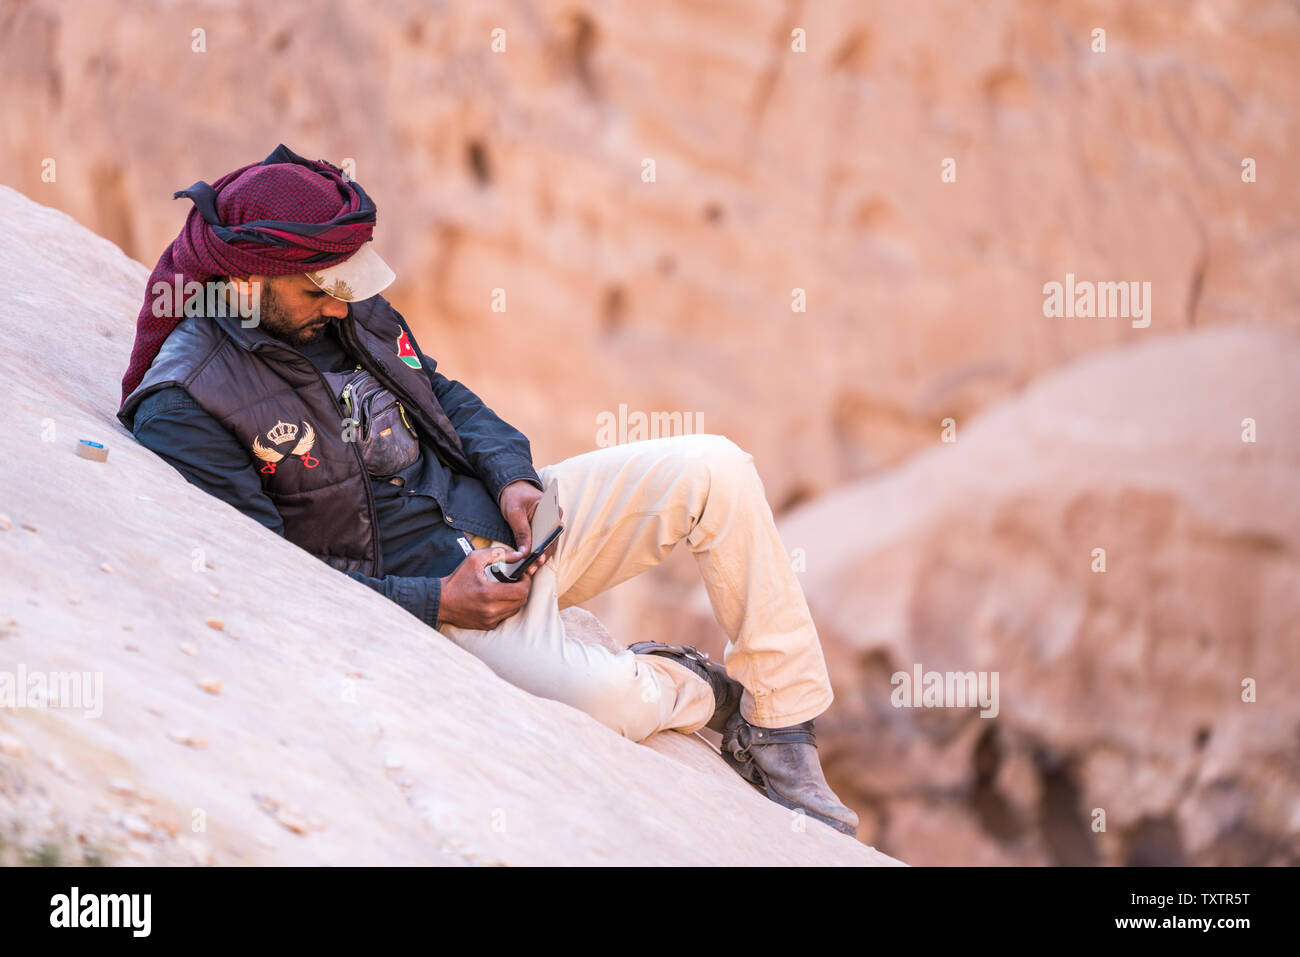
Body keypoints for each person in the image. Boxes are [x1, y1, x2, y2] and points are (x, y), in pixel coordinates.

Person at [117, 145, 859, 836]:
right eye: (321, 291)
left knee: (716, 467)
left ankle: (779, 727)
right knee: (615, 701)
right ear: (247, 278)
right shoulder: (187, 400)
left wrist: (514, 483)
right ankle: (700, 687)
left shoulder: (341, 299)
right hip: (444, 601)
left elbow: (444, 394)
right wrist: (439, 600)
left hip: (507, 530)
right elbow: (269, 576)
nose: (343, 306)